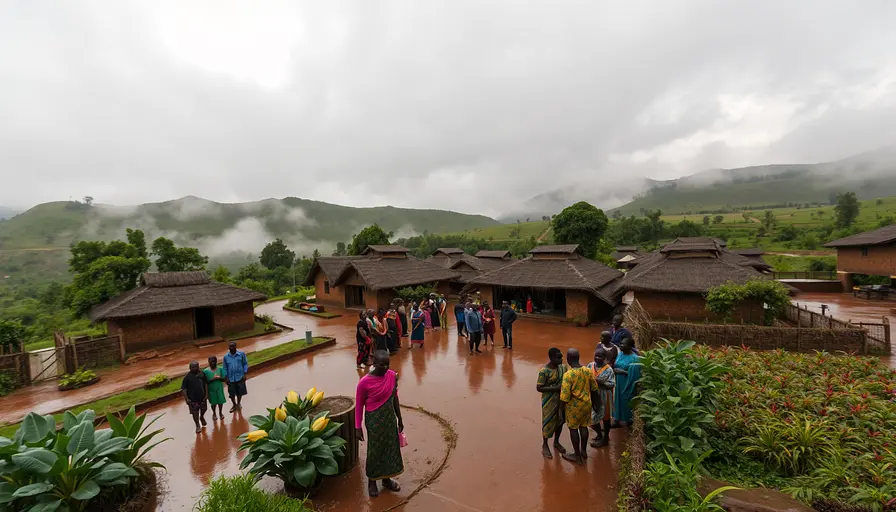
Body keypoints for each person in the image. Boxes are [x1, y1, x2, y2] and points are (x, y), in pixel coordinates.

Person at [355, 351, 404, 498]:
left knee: (390, 448)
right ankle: (372, 481)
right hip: (374, 420)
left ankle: (386, 479)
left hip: (389, 418)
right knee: (375, 450)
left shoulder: (392, 376)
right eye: (381, 364)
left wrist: (399, 418)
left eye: (387, 364)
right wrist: (358, 427)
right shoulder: (364, 383)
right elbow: (359, 405)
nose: (384, 367)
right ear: (374, 363)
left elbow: (395, 398)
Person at [559, 348, 599, 465]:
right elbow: (594, 389)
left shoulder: (568, 375)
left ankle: (577, 456)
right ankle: (583, 452)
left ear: (568, 359)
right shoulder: (587, 371)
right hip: (587, 404)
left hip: (574, 407)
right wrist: (597, 404)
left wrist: (561, 412)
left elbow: (564, 397)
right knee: (583, 427)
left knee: (573, 429)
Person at [536, 347, 568, 459]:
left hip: (561, 400)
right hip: (549, 401)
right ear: (551, 358)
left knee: (560, 420)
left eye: (561, 357)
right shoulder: (544, 371)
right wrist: (555, 388)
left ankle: (556, 442)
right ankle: (545, 444)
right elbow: (539, 388)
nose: (561, 359)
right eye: (558, 357)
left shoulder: (563, 368)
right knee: (548, 422)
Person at [586, 346, 615, 448]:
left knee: (605, 417)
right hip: (592, 395)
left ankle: (605, 438)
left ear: (604, 358)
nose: (598, 358)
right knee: (592, 418)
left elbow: (611, 384)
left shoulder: (609, 370)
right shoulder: (590, 365)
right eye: (596, 356)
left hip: (604, 396)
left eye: (600, 356)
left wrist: (600, 382)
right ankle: (599, 434)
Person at [613, 337, 642, 427]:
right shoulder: (620, 354)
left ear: (629, 346)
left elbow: (636, 375)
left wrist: (622, 372)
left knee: (626, 400)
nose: (621, 345)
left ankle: (628, 420)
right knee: (618, 400)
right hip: (619, 382)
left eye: (623, 344)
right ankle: (617, 419)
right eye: (620, 343)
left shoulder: (635, 358)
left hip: (627, 383)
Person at [182, 361, 208, 433]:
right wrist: (186, 399)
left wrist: (206, 395)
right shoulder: (187, 377)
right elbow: (184, 389)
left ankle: (202, 417)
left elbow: (206, 384)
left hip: (202, 397)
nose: (195, 368)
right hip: (192, 399)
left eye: (196, 366)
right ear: (190, 368)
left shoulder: (202, 374)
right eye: (193, 367)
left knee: (204, 409)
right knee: (195, 413)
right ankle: (197, 425)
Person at [223, 341, 248, 413]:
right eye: (230, 346)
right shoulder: (226, 357)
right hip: (230, 378)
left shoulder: (241, 354)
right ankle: (234, 404)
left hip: (240, 377)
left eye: (233, 346)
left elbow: (245, 364)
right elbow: (225, 367)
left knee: (240, 392)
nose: (231, 348)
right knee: (231, 393)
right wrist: (226, 377)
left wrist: (244, 374)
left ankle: (239, 403)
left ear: (235, 347)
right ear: (228, 348)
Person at [203, 356, 227, 420]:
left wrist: (219, 378)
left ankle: (220, 413)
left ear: (216, 362)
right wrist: (212, 379)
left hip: (219, 388)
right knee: (213, 403)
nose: (213, 363)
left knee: (220, 401)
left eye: (214, 361)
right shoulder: (205, 371)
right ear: (208, 362)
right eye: (211, 362)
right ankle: (214, 413)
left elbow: (224, 379)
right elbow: (205, 382)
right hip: (211, 390)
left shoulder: (220, 369)